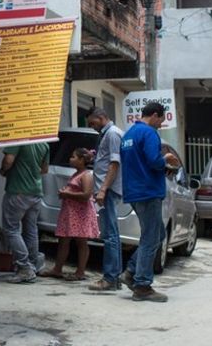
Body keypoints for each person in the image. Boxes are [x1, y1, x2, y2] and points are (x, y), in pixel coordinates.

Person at [118, 102, 180, 303]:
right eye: (161, 120)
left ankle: (131, 273)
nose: (160, 125)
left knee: (158, 234)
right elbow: (154, 161)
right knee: (151, 237)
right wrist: (167, 159)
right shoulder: (149, 133)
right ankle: (142, 285)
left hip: (134, 191)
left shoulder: (128, 135)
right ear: (154, 115)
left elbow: (137, 162)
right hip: (147, 191)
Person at [42, 147, 99, 281]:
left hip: (80, 214)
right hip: (71, 213)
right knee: (63, 240)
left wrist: (67, 193)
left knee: (81, 241)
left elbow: (86, 195)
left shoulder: (86, 175)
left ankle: (80, 272)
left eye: (73, 157)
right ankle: (57, 269)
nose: (70, 159)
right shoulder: (77, 174)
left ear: (81, 160)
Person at [0, 141, 49, 284]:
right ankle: (32, 266)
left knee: (11, 229)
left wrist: (3, 170)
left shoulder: (19, 139)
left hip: (18, 191)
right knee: (31, 230)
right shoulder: (44, 143)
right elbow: (44, 169)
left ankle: (24, 267)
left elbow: (8, 160)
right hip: (36, 192)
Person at [87, 108, 124, 292]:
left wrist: (103, 189)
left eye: (93, 123)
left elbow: (114, 163)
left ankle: (110, 278)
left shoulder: (112, 134)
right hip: (106, 190)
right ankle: (113, 278)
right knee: (111, 235)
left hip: (108, 191)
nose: (93, 127)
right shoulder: (107, 135)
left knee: (110, 235)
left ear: (101, 117)